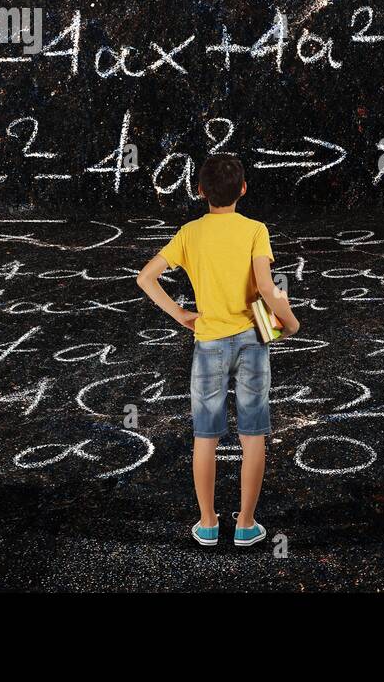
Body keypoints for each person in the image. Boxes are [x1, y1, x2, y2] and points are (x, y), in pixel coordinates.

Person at [136, 153, 299, 547]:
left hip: (207, 340)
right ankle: (245, 523)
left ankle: (207, 522)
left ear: (199, 191)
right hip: (252, 340)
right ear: (243, 189)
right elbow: (264, 286)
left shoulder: (190, 233)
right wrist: (290, 322)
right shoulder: (255, 230)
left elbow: (146, 277)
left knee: (205, 436)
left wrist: (179, 313)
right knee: (253, 433)